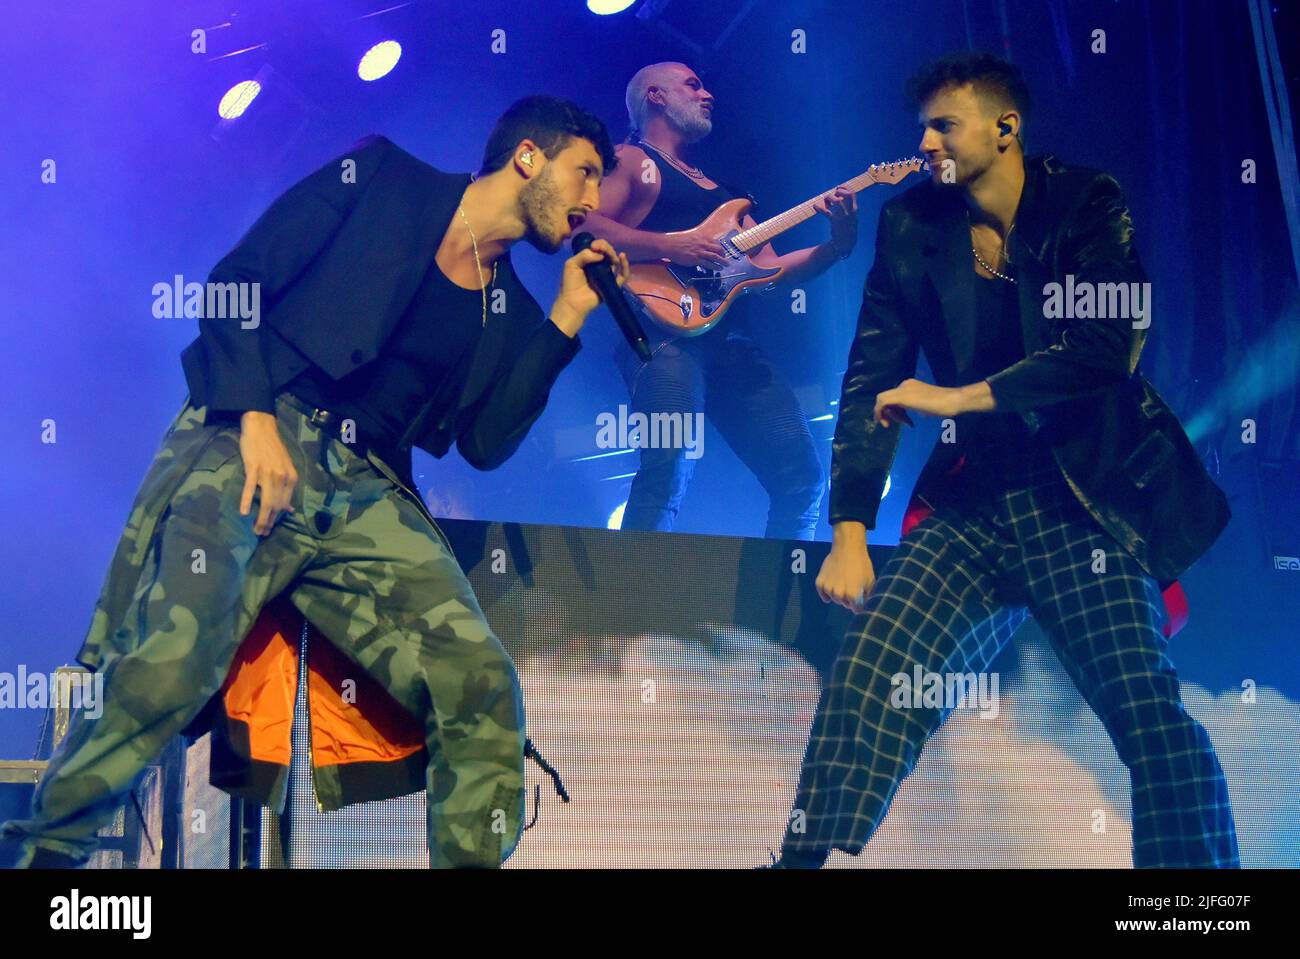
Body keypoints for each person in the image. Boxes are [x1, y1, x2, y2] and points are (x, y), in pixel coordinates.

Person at [2, 95, 629, 869]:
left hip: (370, 493)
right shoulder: (385, 176)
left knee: (479, 680)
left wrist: (566, 316)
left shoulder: (508, 304)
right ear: (529, 156)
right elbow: (238, 283)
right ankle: (44, 856)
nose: (594, 201)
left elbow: (485, 442)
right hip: (263, 428)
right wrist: (255, 419)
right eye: (586, 173)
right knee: (172, 666)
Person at [771, 53, 1237, 868]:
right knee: (865, 685)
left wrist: (956, 397)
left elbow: (1105, 346)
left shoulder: (1087, 203)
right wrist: (849, 526)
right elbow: (874, 376)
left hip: (1080, 504)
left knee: (1150, 718)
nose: (924, 142)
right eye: (923, 127)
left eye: (943, 125)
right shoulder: (914, 224)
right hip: (969, 508)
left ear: (1005, 128)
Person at [581, 61, 859, 539]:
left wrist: (839, 244)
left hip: (732, 344)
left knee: (803, 480)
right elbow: (584, 226)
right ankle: (630, 599)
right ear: (655, 97)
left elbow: (773, 270)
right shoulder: (631, 161)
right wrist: (671, 246)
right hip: (660, 336)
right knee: (669, 466)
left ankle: (776, 606)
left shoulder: (730, 196)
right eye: (692, 85)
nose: (706, 94)